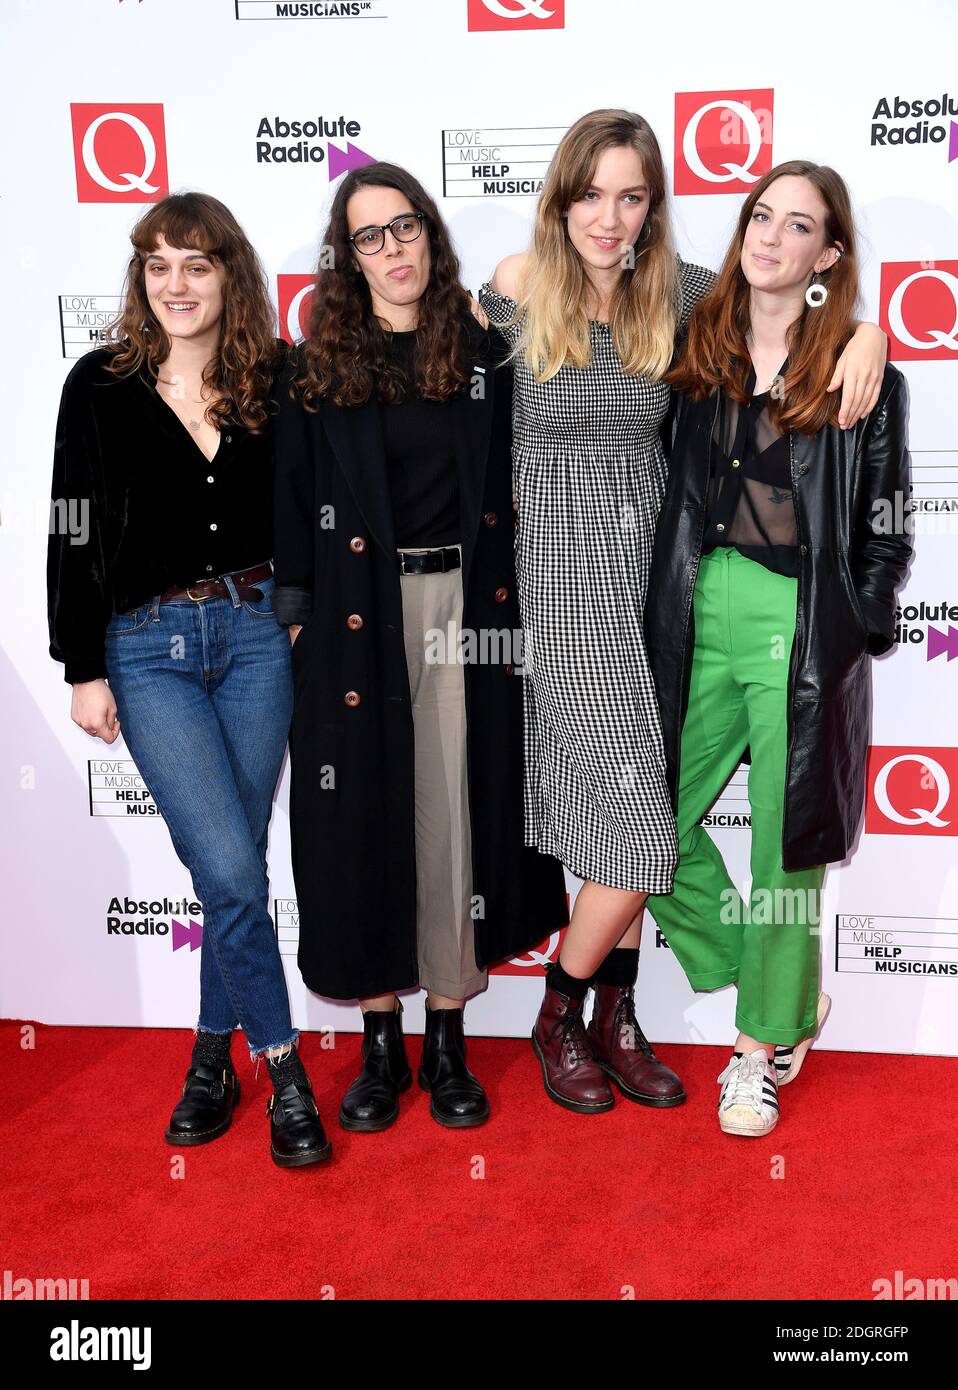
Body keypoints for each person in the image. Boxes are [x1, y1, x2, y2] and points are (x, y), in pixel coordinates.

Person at [478, 111, 888, 1114]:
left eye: (630, 197)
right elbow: (436, 392)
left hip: (661, 585)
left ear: (652, 204)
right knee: (633, 821)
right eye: (591, 195)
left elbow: (791, 305)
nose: (609, 219)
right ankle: (565, 1009)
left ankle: (611, 1015)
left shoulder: (682, 291)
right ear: (560, 197)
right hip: (560, 580)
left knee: (645, 810)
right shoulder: (517, 284)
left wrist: (869, 329)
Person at [272, 162, 568, 1132]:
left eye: (405, 228)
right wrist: (300, 626)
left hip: (463, 614)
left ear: (430, 238)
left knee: (454, 816)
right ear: (347, 257)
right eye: (370, 236)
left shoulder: (484, 353)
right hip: (355, 622)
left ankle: (447, 1035)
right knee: (357, 820)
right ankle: (378, 1043)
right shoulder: (314, 369)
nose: (392, 249)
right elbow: (289, 518)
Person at [46, 192, 330, 1168]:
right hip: (148, 649)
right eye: (158, 264)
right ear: (141, 277)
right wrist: (82, 664)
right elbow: (73, 526)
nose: (176, 283)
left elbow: (305, 505)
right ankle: (285, 1071)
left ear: (228, 276)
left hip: (257, 642)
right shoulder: (100, 385)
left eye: (196, 264)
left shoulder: (275, 379)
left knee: (233, 870)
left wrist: (292, 611)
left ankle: (211, 1056)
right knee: (231, 869)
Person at [644, 160, 912, 1136]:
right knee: (638, 823)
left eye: (797, 226)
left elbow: (886, 524)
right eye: (761, 215)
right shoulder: (691, 338)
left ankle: (756, 1048)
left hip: (799, 620)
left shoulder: (858, 367)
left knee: (783, 846)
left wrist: (856, 623)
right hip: (692, 601)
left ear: (826, 254)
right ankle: (782, 991)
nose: (769, 236)